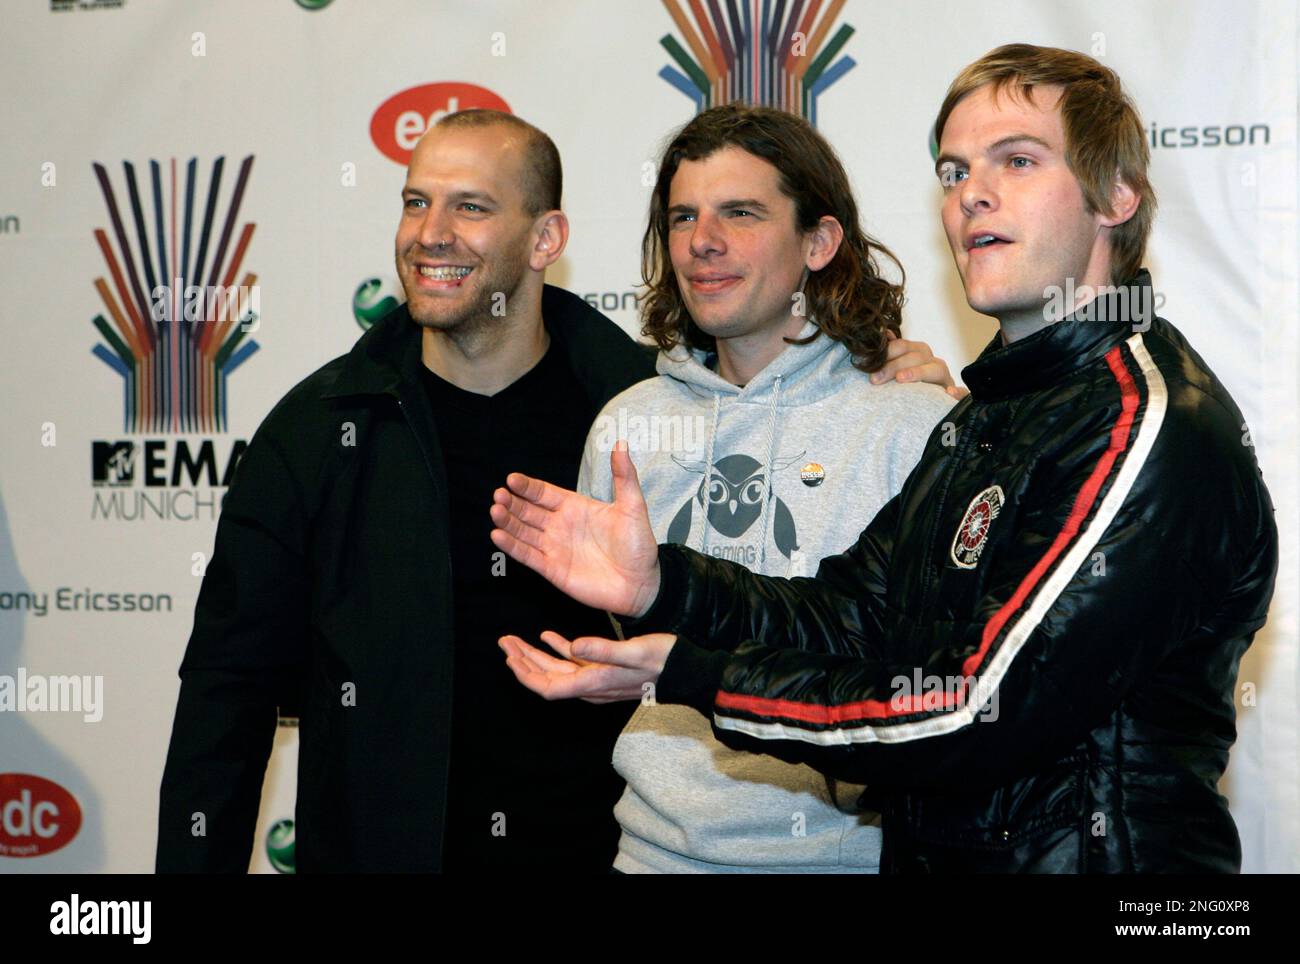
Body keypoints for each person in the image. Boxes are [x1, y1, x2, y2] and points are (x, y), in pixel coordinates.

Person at [493, 45, 1279, 873]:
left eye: (1017, 160)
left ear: (1117, 195)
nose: (972, 191)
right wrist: (665, 585)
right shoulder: (989, 418)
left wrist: (702, 674)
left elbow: (975, 708)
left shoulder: (1145, 422)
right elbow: (851, 618)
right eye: (953, 169)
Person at [156, 107, 952, 873]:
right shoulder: (320, 429)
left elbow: (917, 681)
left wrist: (911, 396)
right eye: (415, 202)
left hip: (602, 852)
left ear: (547, 238)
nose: (432, 232)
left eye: (469, 205)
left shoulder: (625, 404)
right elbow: (229, 689)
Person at [576, 104, 955, 873]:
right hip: (648, 857)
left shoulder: (910, 422)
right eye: (683, 216)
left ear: (819, 242)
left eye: (740, 213)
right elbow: (622, 665)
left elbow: (923, 697)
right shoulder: (628, 425)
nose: (702, 242)